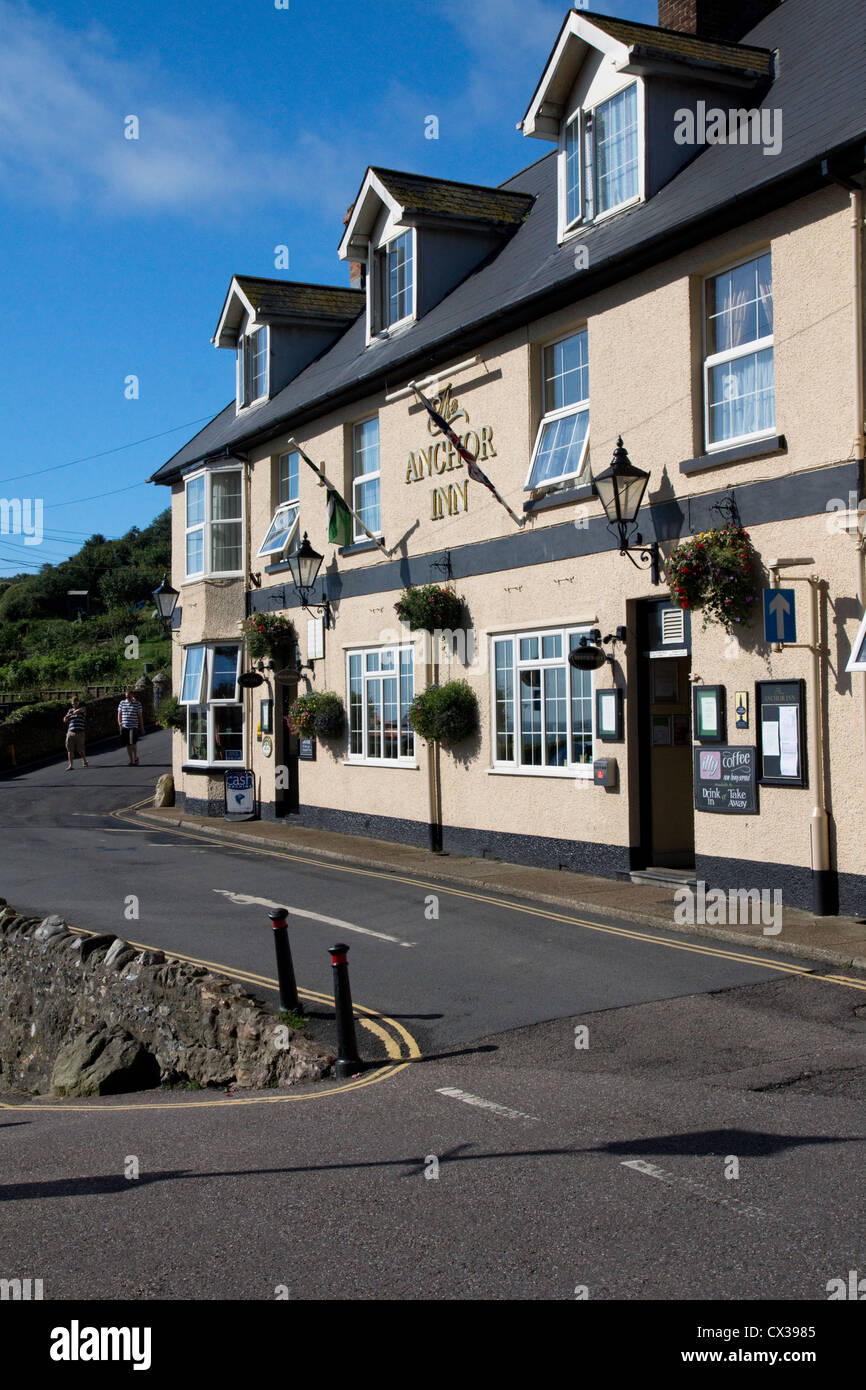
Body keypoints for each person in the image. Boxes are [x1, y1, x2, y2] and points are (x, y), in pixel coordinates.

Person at [117, 687, 145, 765]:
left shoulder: (137, 704)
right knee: (128, 744)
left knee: (133, 742)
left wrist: (142, 727)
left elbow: (140, 716)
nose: (127, 698)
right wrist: (120, 723)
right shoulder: (122, 703)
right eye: (126, 697)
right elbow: (119, 713)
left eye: (129, 696)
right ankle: (131, 760)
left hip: (133, 726)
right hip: (125, 726)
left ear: (132, 695)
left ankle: (136, 757)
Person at [63, 695, 88, 771]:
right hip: (70, 732)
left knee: (80, 750)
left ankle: (84, 760)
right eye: (73, 704)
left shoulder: (83, 709)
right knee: (69, 749)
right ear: (71, 704)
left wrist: (73, 713)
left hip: (80, 732)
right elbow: (65, 720)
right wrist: (67, 716)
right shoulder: (70, 710)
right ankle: (71, 765)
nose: (74, 705)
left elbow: (80, 710)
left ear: (78, 703)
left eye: (76, 703)